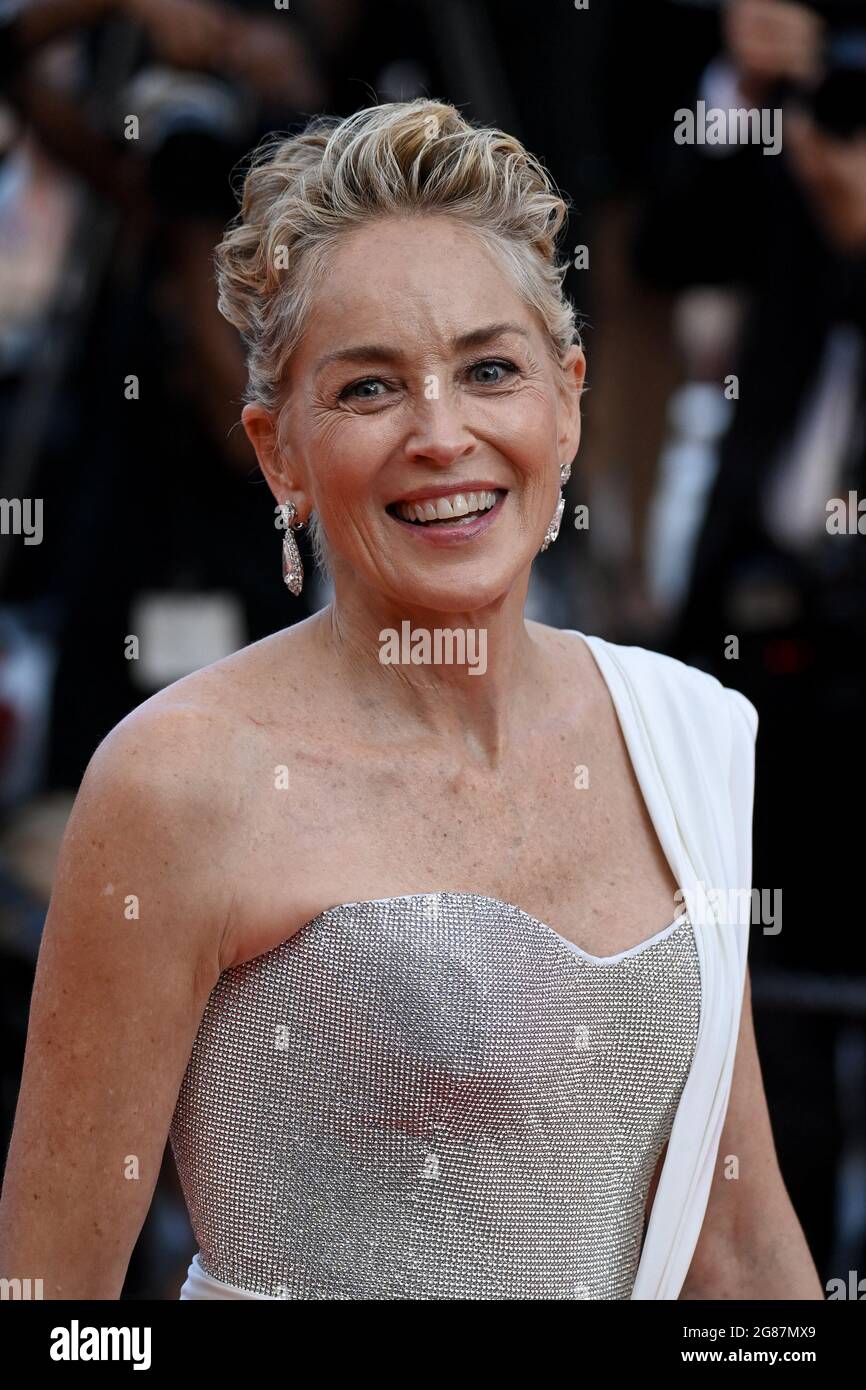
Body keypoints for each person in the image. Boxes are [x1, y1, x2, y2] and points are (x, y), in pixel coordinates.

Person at [0, 98, 822, 1301]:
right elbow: (50, 1306)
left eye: (490, 369)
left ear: (567, 399)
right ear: (278, 451)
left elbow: (740, 1254)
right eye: (371, 389)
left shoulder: (679, 735)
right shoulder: (182, 782)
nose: (443, 434)